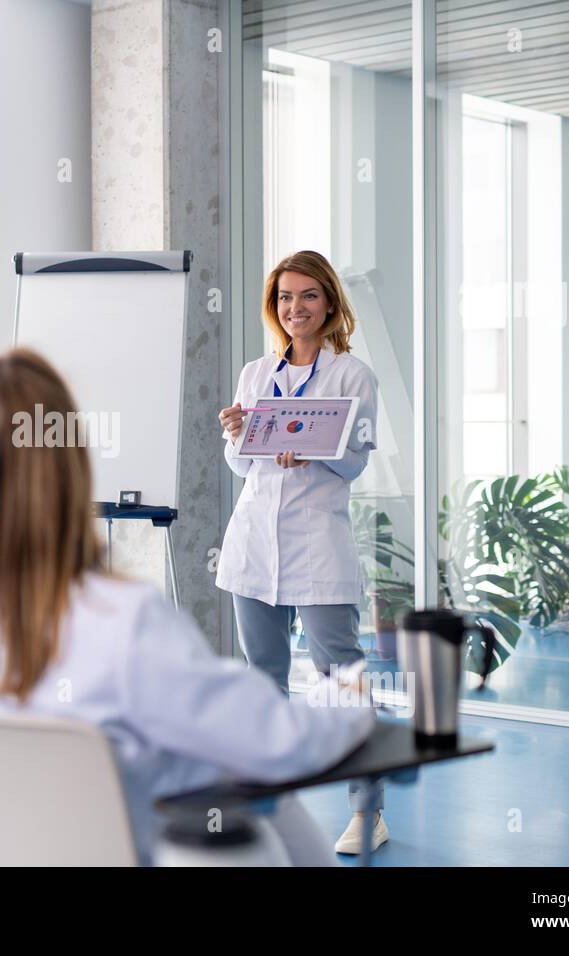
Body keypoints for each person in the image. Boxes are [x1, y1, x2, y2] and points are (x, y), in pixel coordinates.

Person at [0, 339, 375, 864]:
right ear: (69, 468)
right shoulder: (119, 623)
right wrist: (346, 698)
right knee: (264, 806)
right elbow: (277, 742)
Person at [216, 249, 386, 855]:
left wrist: (316, 449)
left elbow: (355, 460)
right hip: (255, 545)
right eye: (285, 298)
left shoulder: (352, 376)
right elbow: (244, 464)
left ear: (330, 303)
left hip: (317, 543)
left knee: (342, 679)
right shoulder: (255, 373)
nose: (296, 308)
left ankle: (368, 812)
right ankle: (270, 804)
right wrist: (238, 433)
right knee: (263, 680)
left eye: (308, 296)